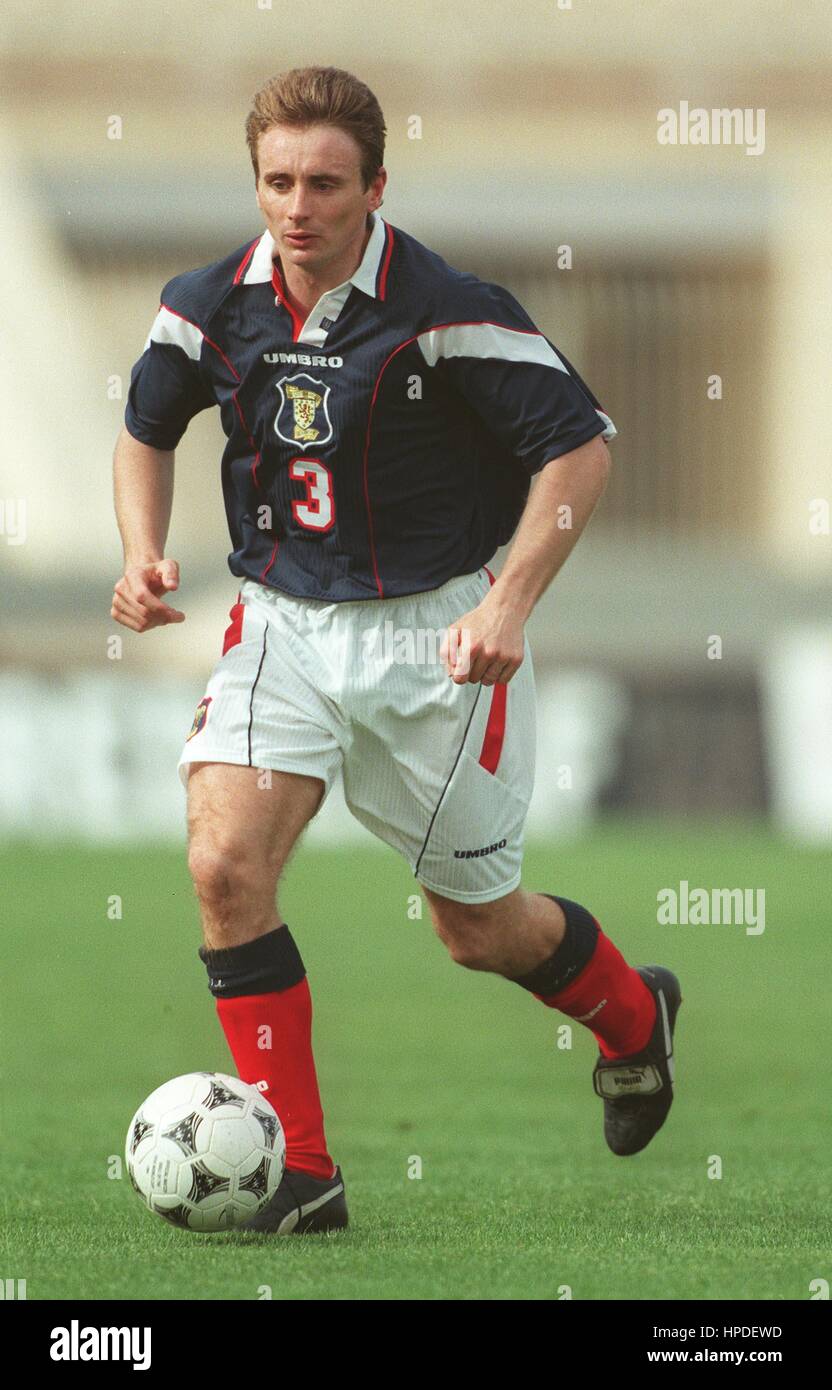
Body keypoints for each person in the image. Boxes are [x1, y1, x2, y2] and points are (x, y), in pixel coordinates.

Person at [112, 65, 681, 1236]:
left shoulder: (447, 308)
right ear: (256, 182)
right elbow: (146, 423)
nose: (297, 205)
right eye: (277, 181)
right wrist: (142, 550)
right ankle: (303, 1173)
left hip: (438, 637)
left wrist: (509, 604)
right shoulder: (208, 301)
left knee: (477, 928)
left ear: (375, 184)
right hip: (279, 623)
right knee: (224, 869)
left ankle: (634, 1020)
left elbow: (579, 456)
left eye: (325, 182)